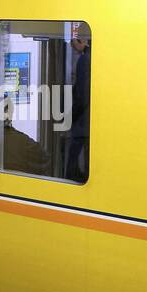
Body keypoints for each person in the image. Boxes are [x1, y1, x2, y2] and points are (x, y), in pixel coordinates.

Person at [65, 30, 90, 181]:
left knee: (74, 151)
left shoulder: (84, 60)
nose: (72, 47)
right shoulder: (92, 57)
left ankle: (73, 178)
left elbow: (82, 94)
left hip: (82, 119)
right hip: (87, 119)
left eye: (73, 43)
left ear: (82, 41)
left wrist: (72, 116)